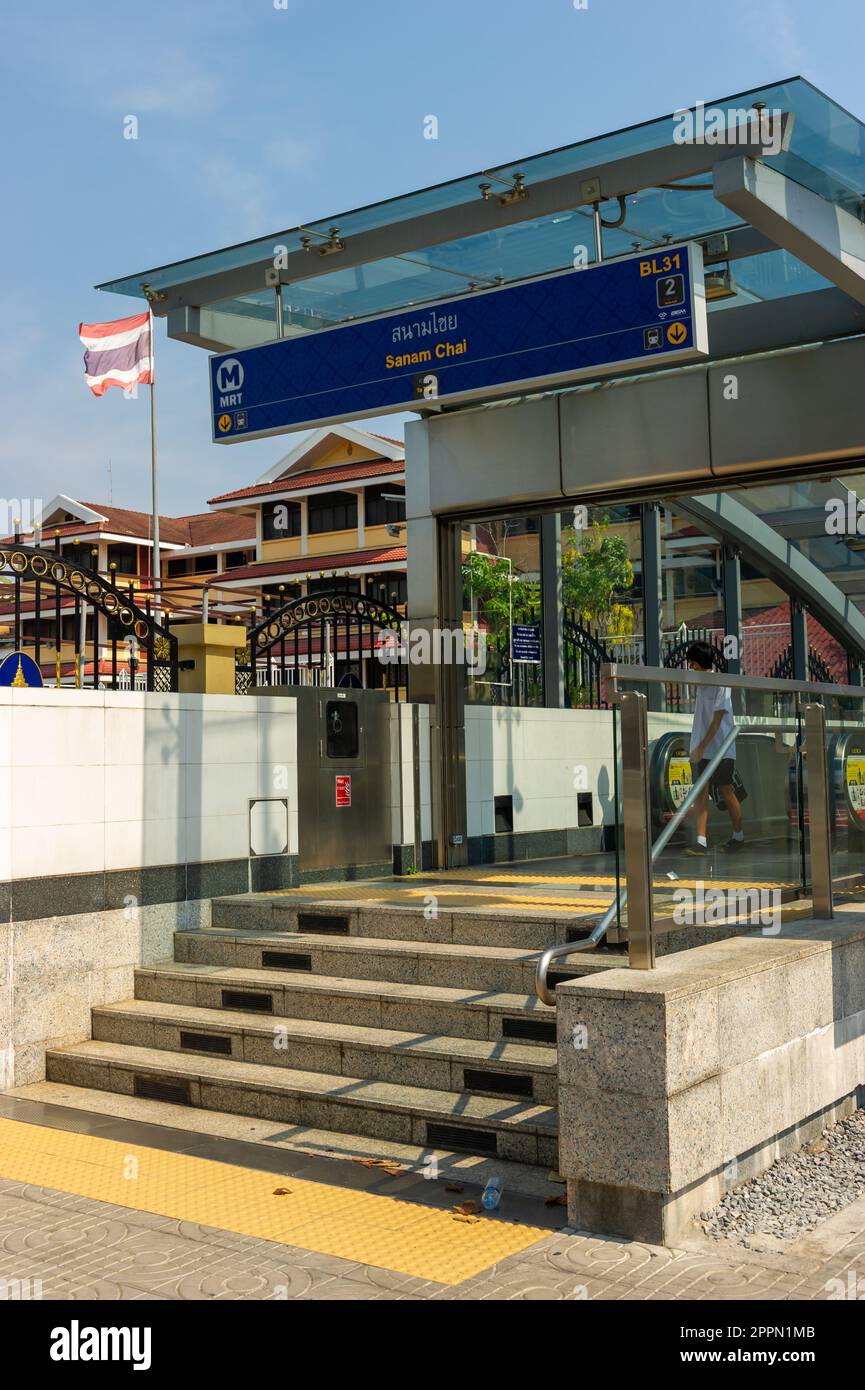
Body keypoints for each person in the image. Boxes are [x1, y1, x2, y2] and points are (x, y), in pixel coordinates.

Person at [684, 640, 743, 856]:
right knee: (701, 792)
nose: (690, 666)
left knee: (726, 790)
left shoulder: (720, 683)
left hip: (721, 748)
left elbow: (717, 722)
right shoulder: (698, 682)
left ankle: (738, 836)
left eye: (692, 662)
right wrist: (697, 747)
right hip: (700, 746)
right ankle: (701, 841)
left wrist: (700, 747)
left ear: (698, 663)